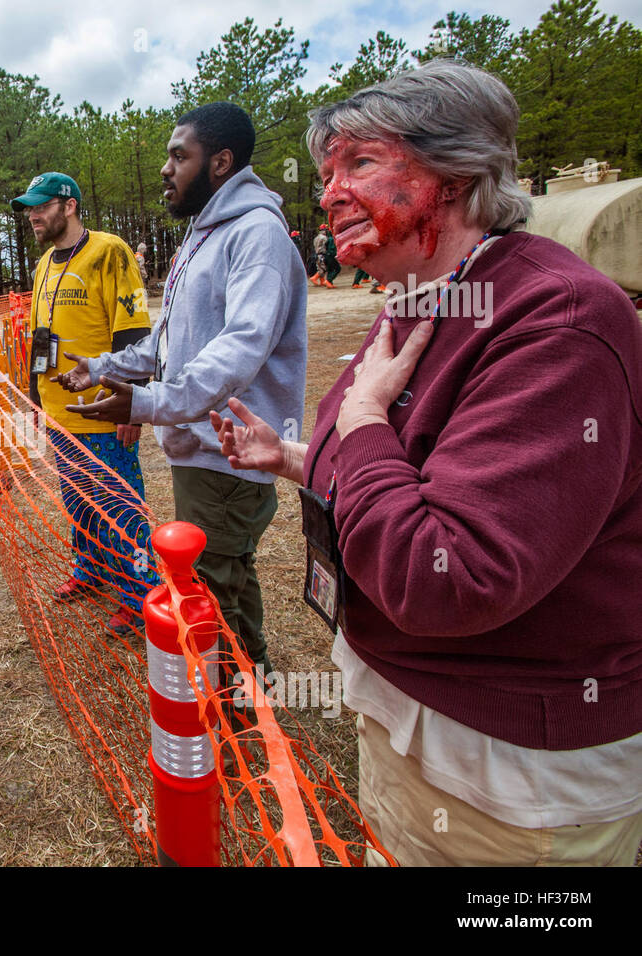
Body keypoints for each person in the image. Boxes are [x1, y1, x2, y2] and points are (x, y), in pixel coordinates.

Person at [211, 59, 642, 865]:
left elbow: (450, 573)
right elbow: (415, 477)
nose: (329, 191)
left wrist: (365, 418)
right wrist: (298, 459)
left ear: (452, 174)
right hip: (414, 726)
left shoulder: (559, 319)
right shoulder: (426, 300)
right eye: (326, 172)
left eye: (360, 164)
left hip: (510, 780)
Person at [56, 103, 307, 679]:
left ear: (221, 162)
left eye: (179, 155)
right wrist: (103, 366)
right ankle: (252, 689)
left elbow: (241, 349)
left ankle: (234, 723)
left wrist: (147, 403)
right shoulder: (203, 236)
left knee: (211, 592)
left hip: (231, 456)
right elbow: (170, 343)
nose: (165, 169)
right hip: (201, 451)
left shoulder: (256, 235)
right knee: (228, 576)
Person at [11, 171, 158, 638]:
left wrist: (131, 401)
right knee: (77, 501)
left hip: (102, 409)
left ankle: (140, 595)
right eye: (29, 208)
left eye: (42, 205)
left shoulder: (109, 251)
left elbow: (134, 332)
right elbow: (41, 338)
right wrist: (36, 398)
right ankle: (90, 568)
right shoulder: (43, 265)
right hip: (59, 410)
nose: (33, 215)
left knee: (119, 505)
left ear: (69, 205)